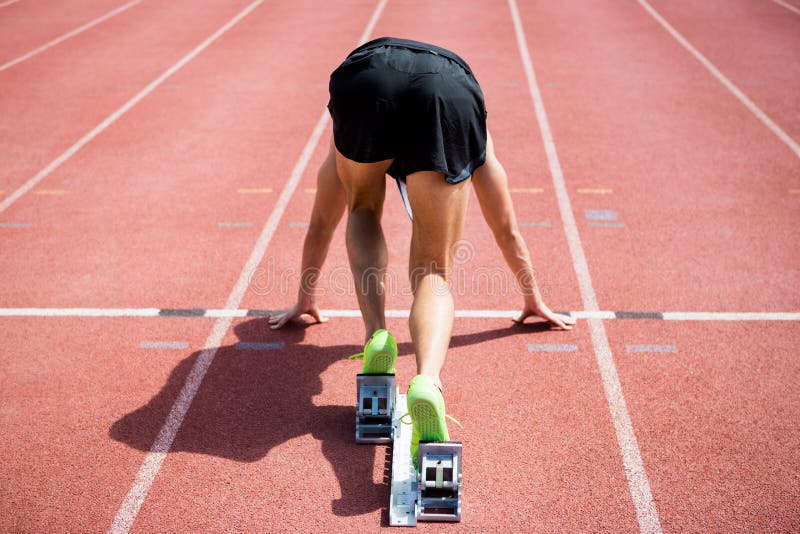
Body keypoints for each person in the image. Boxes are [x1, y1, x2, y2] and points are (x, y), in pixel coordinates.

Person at [269, 37, 575, 468]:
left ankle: (377, 334)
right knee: (433, 269)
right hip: (446, 94)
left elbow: (322, 221)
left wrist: (306, 295)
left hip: (366, 78)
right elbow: (505, 228)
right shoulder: (477, 134)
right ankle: (427, 381)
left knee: (362, 209)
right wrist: (531, 296)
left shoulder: (344, 143)